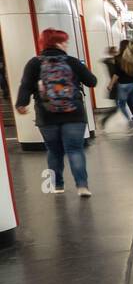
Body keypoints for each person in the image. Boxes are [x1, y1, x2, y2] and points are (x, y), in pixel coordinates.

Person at [14, 28, 97, 197]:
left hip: (46, 115)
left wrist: (21, 104)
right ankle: (82, 186)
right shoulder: (72, 62)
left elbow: (25, 85)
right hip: (74, 114)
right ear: (58, 43)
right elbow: (92, 82)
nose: (66, 44)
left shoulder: (34, 63)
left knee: (53, 151)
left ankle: (57, 185)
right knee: (75, 150)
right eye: (64, 41)